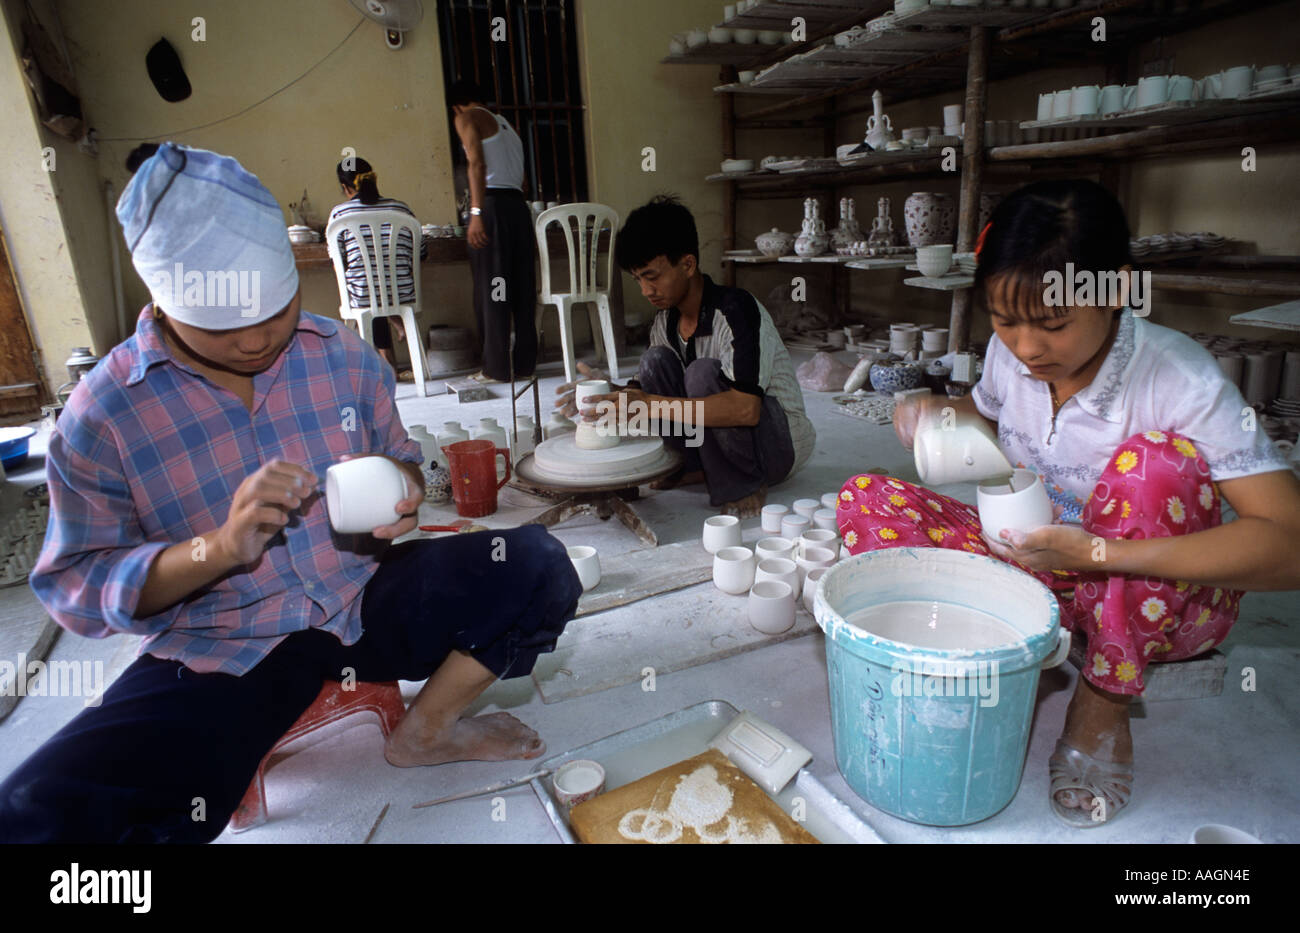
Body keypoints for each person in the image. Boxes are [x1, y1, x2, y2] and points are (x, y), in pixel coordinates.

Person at [0, 143, 581, 843]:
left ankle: (427, 730)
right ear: (161, 298)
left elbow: (400, 462)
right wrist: (214, 550)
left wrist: (398, 494)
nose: (254, 339)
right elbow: (76, 586)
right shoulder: (102, 414)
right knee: (35, 818)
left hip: (360, 601)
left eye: (274, 311)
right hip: (226, 644)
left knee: (537, 565)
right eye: (220, 325)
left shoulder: (342, 356)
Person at [837, 179, 1300, 827]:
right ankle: (1007, 646)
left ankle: (1104, 699)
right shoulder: (1010, 355)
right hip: (1042, 567)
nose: (1026, 348)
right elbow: (987, 416)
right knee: (868, 498)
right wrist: (937, 413)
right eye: (1004, 320)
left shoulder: (1180, 377)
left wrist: (1103, 550)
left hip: (1158, 597)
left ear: (1115, 290)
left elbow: (1288, 543)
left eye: (1052, 324)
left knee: (1152, 467)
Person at [560, 195, 815, 518]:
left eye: (653, 277)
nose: (645, 291)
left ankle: (744, 483)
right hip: (720, 435)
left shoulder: (736, 309)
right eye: (638, 279)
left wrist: (647, 402)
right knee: (654, 361)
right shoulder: (665, 321)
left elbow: (746, 409)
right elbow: (645, 396)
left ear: (688, 264)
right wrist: (606, 394)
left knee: (702, 374)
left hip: (777, 443)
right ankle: (691, 466)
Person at [448, 80, 536, 385]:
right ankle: (525, 365)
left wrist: (475, 212)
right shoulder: (507, 126)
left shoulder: (467, 117)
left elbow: (476, 164)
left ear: (456, 105)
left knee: (492, 288)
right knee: (522, 288)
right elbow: (523, 181)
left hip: (493, 207)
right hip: (518, 209)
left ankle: (495, 369)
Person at [327, 157, 427, 377]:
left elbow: (338, 264)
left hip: (363, 295)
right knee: (381, 286)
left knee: (369, 288)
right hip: (403, 294)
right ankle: (397, 327)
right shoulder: (401, 209)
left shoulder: (340, 215)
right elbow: (421, 254)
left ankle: (386, 364)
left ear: (345, 187)